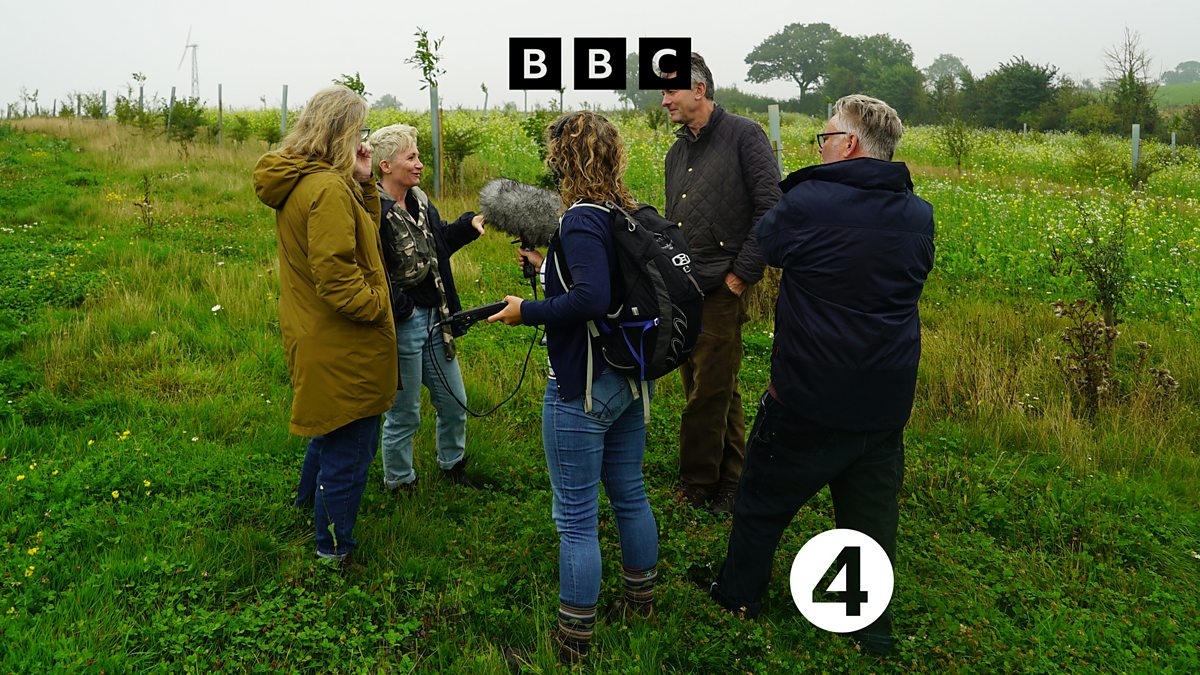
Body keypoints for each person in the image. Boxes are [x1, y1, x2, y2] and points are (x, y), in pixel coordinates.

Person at [708, 95, 936, 655]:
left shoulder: (809, 201)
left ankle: (739, 596)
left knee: (761, 501)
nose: (821, 144)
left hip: (808, 392)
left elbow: (771, 241)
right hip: (885, 395)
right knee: (870, 517)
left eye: (826, 136)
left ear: (850, 144)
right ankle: (869, 629)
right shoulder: (918, 213)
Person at [490, 111, 658, 663]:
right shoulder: (621, 211)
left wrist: (527, 310)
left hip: (582, 385)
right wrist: (545, 266)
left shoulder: (582, 217)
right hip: (627, 376)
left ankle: (572, 640)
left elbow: (588, 298)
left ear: (565, 156)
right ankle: (641, 602)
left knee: (577, 518)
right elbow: (603, 287)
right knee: (630, 494)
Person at [252, 85, 397, 567]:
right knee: (351, 448)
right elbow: (338, 277)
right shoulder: (327, 189)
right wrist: (379, 305)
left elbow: (364, 235)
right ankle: (332, 550)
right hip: (344, 342)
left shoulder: (311, 181)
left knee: (330, 430)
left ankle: (303, 509)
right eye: (361, 130)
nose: (366, 141)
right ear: (342, 132)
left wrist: (365, 181)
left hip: (316, 333)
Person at [661, 51, 782, 514]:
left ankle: (695, 484)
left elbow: (772, 208)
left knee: (708, 390)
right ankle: (731, 481)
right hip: (685, 287)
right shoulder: (678, 152)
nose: (665, 100)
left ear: (699, 89)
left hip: (720, 286)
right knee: (718, 387)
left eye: (671, 90)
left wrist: (741, 274)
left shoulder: (744, 135)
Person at [366, 124, 485, 492]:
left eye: (418, 156)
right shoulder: (372, 209)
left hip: (439, 319)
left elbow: (439, 245)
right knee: (404, 413)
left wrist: (469, 226)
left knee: (455, 401)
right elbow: (373, 270)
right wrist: (401, 308)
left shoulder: (419, 200)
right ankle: (399, 483)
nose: (419, 164)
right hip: (405, 324)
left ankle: (453, 465)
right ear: (385, 165)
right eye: (411, 157)